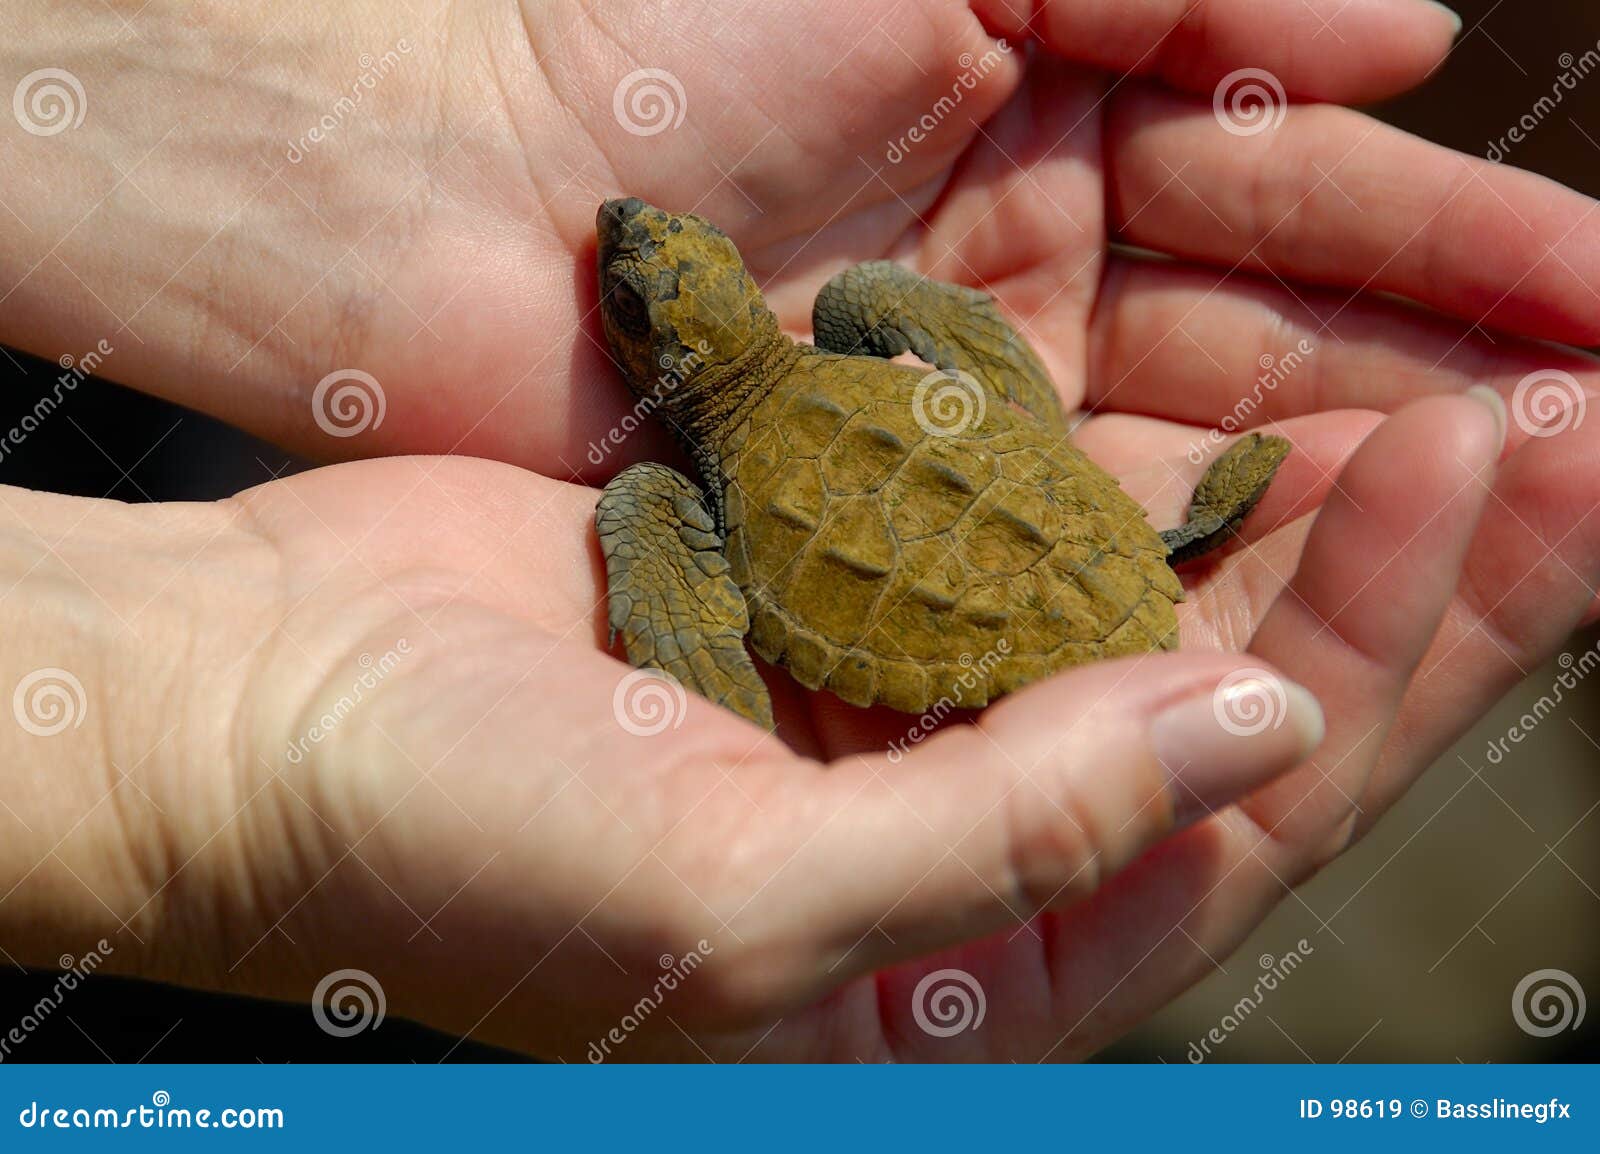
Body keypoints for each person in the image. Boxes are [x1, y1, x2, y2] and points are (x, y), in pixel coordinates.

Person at [0, 0, 1594, 1061]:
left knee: (655, 496)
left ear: (653, 347)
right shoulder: (845, 333)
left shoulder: (668, 483)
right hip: (1082, 532)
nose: (631, 235)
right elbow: (971, 387)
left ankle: (1150, 569)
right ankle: (1160, 552)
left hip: (995, 571)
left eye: (650, 261)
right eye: (644, 268)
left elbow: (702, 611)